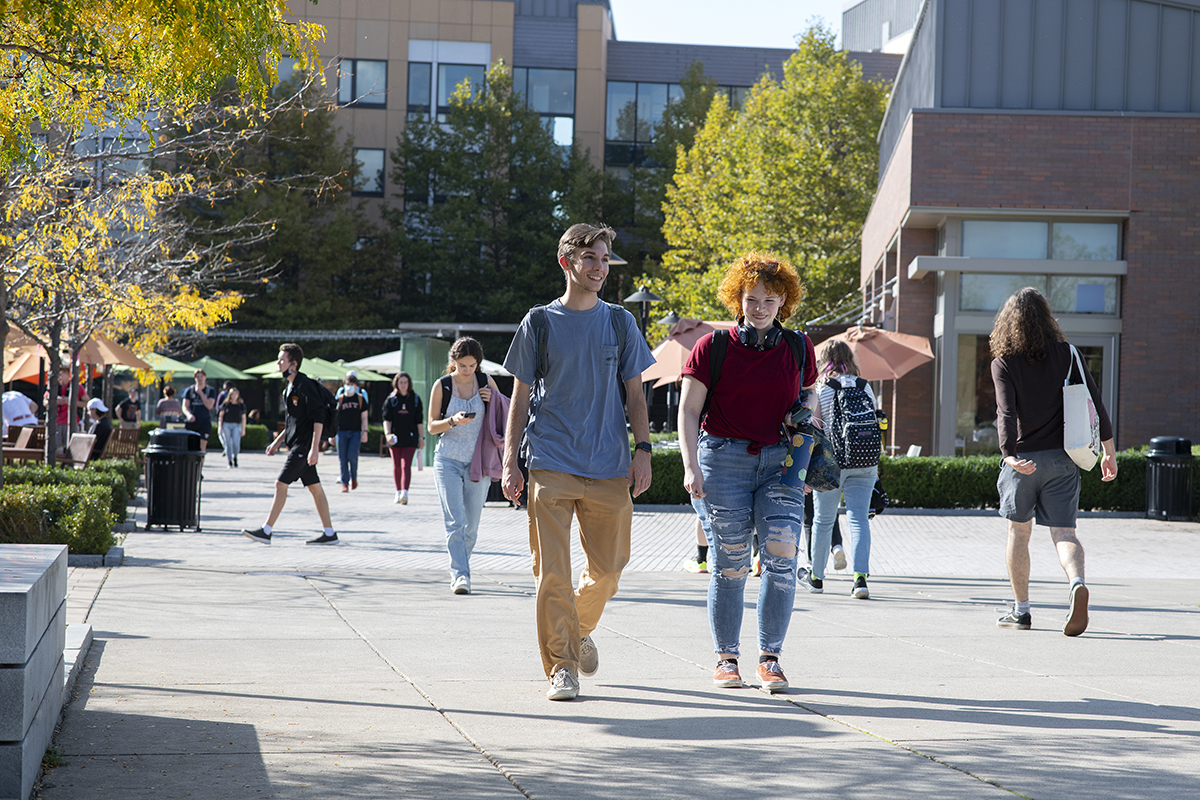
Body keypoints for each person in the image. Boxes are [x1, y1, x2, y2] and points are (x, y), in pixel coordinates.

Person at [501, 223, 655, 702]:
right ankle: (561, 667)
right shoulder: (539, 322)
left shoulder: (620, 322)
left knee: (609, 570)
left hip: (609, 464)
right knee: (552, 573)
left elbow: (636, 395)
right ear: (566, 262)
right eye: (590, 258)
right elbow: (519, 397)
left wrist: (643, 450)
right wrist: (510, 460)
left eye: (605, 259)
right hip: (550, 459)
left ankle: (577, 629)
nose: (599, 267)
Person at [678, 252, 817, 694]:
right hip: (723, 461)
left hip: (781, 463)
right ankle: (726, 658)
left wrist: (803, 417)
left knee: (782, 558)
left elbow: (810, 393)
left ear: (783, 302)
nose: (760, 308)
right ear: (737, 298)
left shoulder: (798, 346)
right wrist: (690, 465)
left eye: (769, 300)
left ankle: (770, 658)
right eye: (752, 298)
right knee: (731, 564)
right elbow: (688, 410)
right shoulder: (712, 346)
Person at [990, 288, 1117, 636]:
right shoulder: (1068, 354)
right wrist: (1109, 451)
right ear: (1047, 318)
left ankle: (1021, 611)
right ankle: (1077, 583)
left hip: (1023, 461)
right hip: (1063, 459)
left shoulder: (1004, 362)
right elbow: (1095, 402)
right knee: (1064, 532)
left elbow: (1006, 412)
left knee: (1019, 532)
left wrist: (1009, 454)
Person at [242, 344, 340, 545]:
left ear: (293, 364)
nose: (278, 363)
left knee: (280, 484)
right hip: (299, 445)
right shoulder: (289, 388)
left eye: (282, 360)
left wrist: (314, 448)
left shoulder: (305, 385)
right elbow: (292, 422)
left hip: (303, 447)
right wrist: (276, 442)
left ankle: (266, 531)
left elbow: (318, 417)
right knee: (315, 488)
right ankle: (329, 533)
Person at [429, 338, 502, 595]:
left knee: (471, 528)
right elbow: (431, 426)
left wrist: (494, 398)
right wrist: (452, 421)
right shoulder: (443, 385)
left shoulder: (485, 381)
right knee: (455, 522)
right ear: (453, 361)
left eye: (472, 365)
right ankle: (460, 575)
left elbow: (505, 411)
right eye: (462, 365)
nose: (467, 370)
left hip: (478, 464)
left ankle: (460, 567)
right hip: (447, 460)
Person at [808, 339, 878, 600]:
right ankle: (860, 579)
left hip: (832, 463)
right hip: (865, 461)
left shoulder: (822, 387)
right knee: (858, 519)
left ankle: (816, 578)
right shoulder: (864, 385)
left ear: (825, 360)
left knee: (823, 520)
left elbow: (816, 427)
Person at [382, 372, 424, 505]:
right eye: (401, 382)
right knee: (397, 465)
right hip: (394, 438)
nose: (403, 385)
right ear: (396, 383)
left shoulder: (415, 399)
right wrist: (388, 434)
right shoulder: (391, 399)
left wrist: (422, 438)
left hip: (411, 438)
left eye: (405, 382)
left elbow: (419, 420)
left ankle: (405, 493)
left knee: (406, 465)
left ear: (409, 384)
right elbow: (386, 419)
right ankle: (398, 491)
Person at [334, 374, 369, 492]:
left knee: (352, 456)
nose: (349, 386)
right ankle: (345, 482)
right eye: (347, 384)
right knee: (342, 458)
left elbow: (364, 417)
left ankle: (354, 477)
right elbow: (334, 417)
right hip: (341, 432)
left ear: (356, 386)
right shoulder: (340, 399)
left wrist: (365, 431)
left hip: (355, 432)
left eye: (352, 384)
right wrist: (332, 434)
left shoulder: (360, 399)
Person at [181, 369, 217, 452]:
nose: (200, 379)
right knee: (191, 447)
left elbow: (209, 406)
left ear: (205, 377)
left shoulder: (210, 390)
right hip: (192, 423)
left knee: (202, 447)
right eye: (197, 377)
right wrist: (189, 415)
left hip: (204, 422)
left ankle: (201, 460)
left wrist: (201, 393)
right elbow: (185, 406)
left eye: (201, 376)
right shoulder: (189, 390)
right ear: (195, 378)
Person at [218, 386, 247, 468]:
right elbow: (221, 415)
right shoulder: (226, 404)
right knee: (228, 443)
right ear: (230, 395)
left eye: (235, 394)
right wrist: (220, 426)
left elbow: (244, 417)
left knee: (236, 443)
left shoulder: (241, 405)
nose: (234, 396)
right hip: (226, 425)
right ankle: (229, 460)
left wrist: (243, 429)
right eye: (232, 394)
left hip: (236, 425)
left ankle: (235, 457)